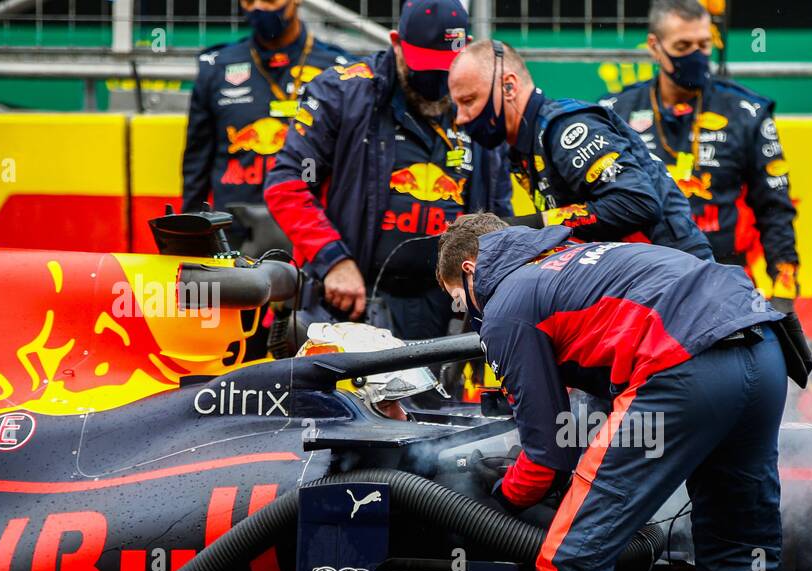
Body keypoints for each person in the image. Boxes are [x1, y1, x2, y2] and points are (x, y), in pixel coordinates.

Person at [437, 213, 788, 571]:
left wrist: (496, 500)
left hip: (684, 367)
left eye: (457, 297)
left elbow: (543, 455)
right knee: (735, 562)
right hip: (765, 352)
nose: (465, 311)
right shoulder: (581, 258)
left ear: (470, 270)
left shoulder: (506, 302)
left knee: (571, 557)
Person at [264, 0, 512, 340]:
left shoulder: (478, 102)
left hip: (447, 306)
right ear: (396, 43)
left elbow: (498, 213)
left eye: (446, 67)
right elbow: (287, 183)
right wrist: (332, 259)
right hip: (353, 298)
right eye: (424, 66)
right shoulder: (343, 92)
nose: (436, 81)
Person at [605, 0, 800, 311]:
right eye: (683, 46)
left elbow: (775, 208)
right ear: (655, 47)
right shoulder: (614, 112)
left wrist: (785, 288)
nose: (696, 55)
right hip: (638, 284)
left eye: (704, 44)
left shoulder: (747, 112)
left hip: (726, 280)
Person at [447, 39, 713, 259]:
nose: (460, 117)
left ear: (509, 86)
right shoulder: (523, 147)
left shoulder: (566, 128)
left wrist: (524, 226)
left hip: (676, 273)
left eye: (469, 100)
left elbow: (637, 203)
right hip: (643, 273)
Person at [181, 0, 349, 249]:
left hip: (312, 234)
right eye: (250, 1)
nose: (259, 7)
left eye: (270, 0)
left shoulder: (337, 69)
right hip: (233, 234)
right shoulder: (216, 67)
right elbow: (196, 166)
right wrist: (189, 239)